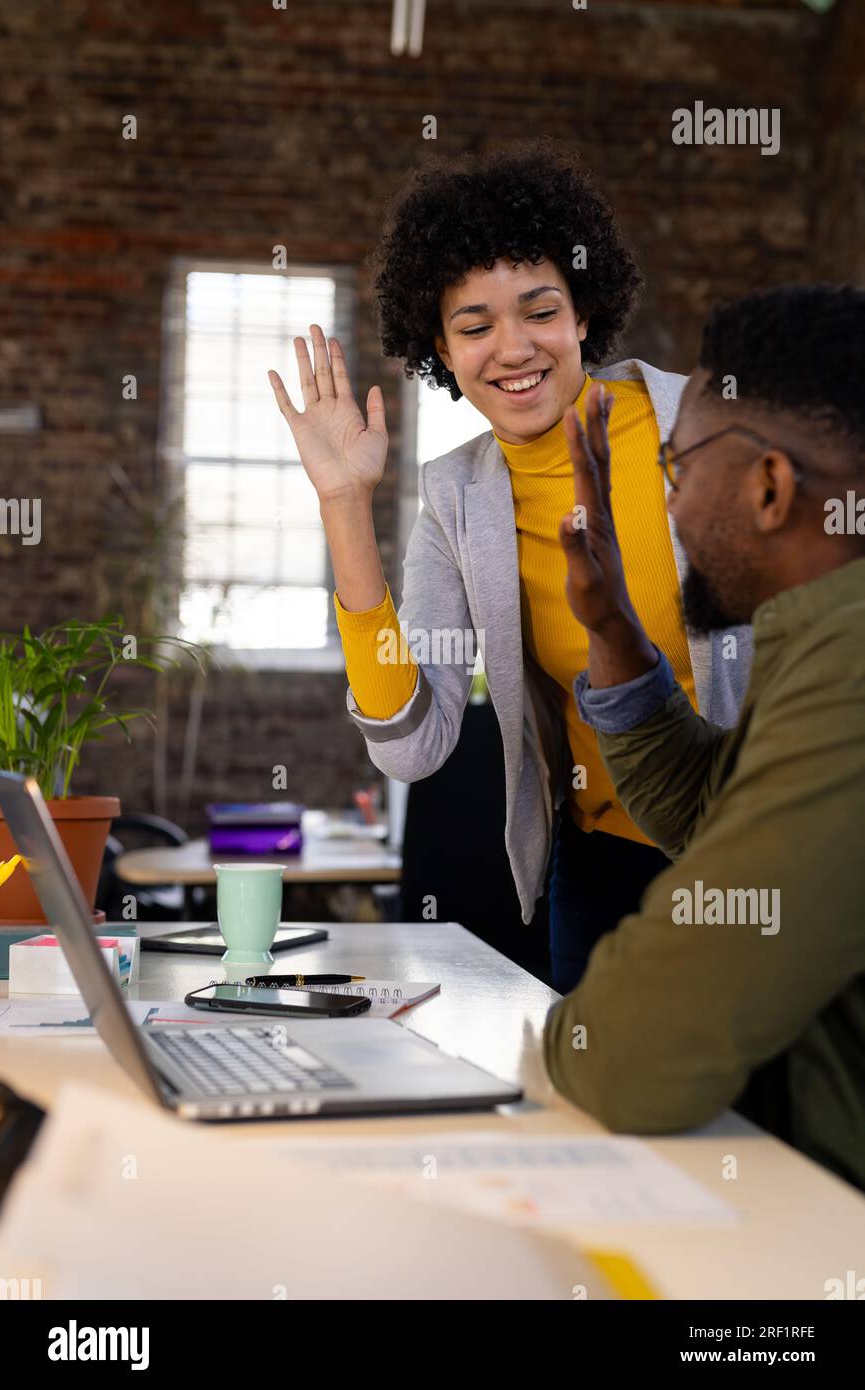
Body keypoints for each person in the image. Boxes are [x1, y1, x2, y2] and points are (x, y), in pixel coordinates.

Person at [269, 139, 751, 992]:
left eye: (539, 311)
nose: (512, 348)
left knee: (764, 1124)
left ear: (584, 314)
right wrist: (343, 502)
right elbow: (413, 746)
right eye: (474, 325)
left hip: (761, 862)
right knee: (597, 1120)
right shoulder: (456, 500)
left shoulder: (708, 426)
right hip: (603, 874)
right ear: (441, 350)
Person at [543, 283, 865, 1191]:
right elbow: (701, 806)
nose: (671, 513)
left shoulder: (849, 668)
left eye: (677, 473)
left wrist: (572, 1019)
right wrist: (609, 625)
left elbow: (630, 1055)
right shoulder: (822, 639)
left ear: (768, 486)